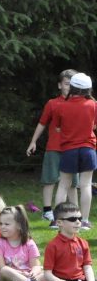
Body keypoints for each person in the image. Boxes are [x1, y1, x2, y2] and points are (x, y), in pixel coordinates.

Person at [27, 69, 77, 221]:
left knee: (73, 183)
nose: (69, 87)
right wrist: (33, 141)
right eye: (67, 84)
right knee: (50, 179)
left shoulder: (80, 104)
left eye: (72, 84)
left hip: (73, 148)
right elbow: (42, 123)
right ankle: (47, 210)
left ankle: (74, 212)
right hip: (54, 148)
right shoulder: (52, 103)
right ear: (60, 85)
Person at [52, 73, 97, 229]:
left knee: (63, 184)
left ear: (72, 87)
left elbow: (57, 127)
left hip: (69, 149)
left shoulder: (61, 106)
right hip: (88, 149)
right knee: (85, 185)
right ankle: (84, 221)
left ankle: (57, 220)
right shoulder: (93, 105)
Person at [43, 201, 97, 281]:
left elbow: (87, 267)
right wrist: (57, 280)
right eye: (72, 219)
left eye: (79, 218)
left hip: (82, 280)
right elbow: (47, 273)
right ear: (59, 222)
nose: (78, 222)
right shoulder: (53, 245)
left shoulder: (83, 243)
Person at [0, 205, 46, 281]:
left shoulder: (29, 243)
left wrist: (33, 273)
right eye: (0, 224)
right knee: (4, 270)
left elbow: (35, 265)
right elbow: (0, 267)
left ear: (19, 226)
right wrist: (20, 274)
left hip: (27, 276)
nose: (2, 227)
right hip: (6, 280)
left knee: (47, 274)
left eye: (7, 224)